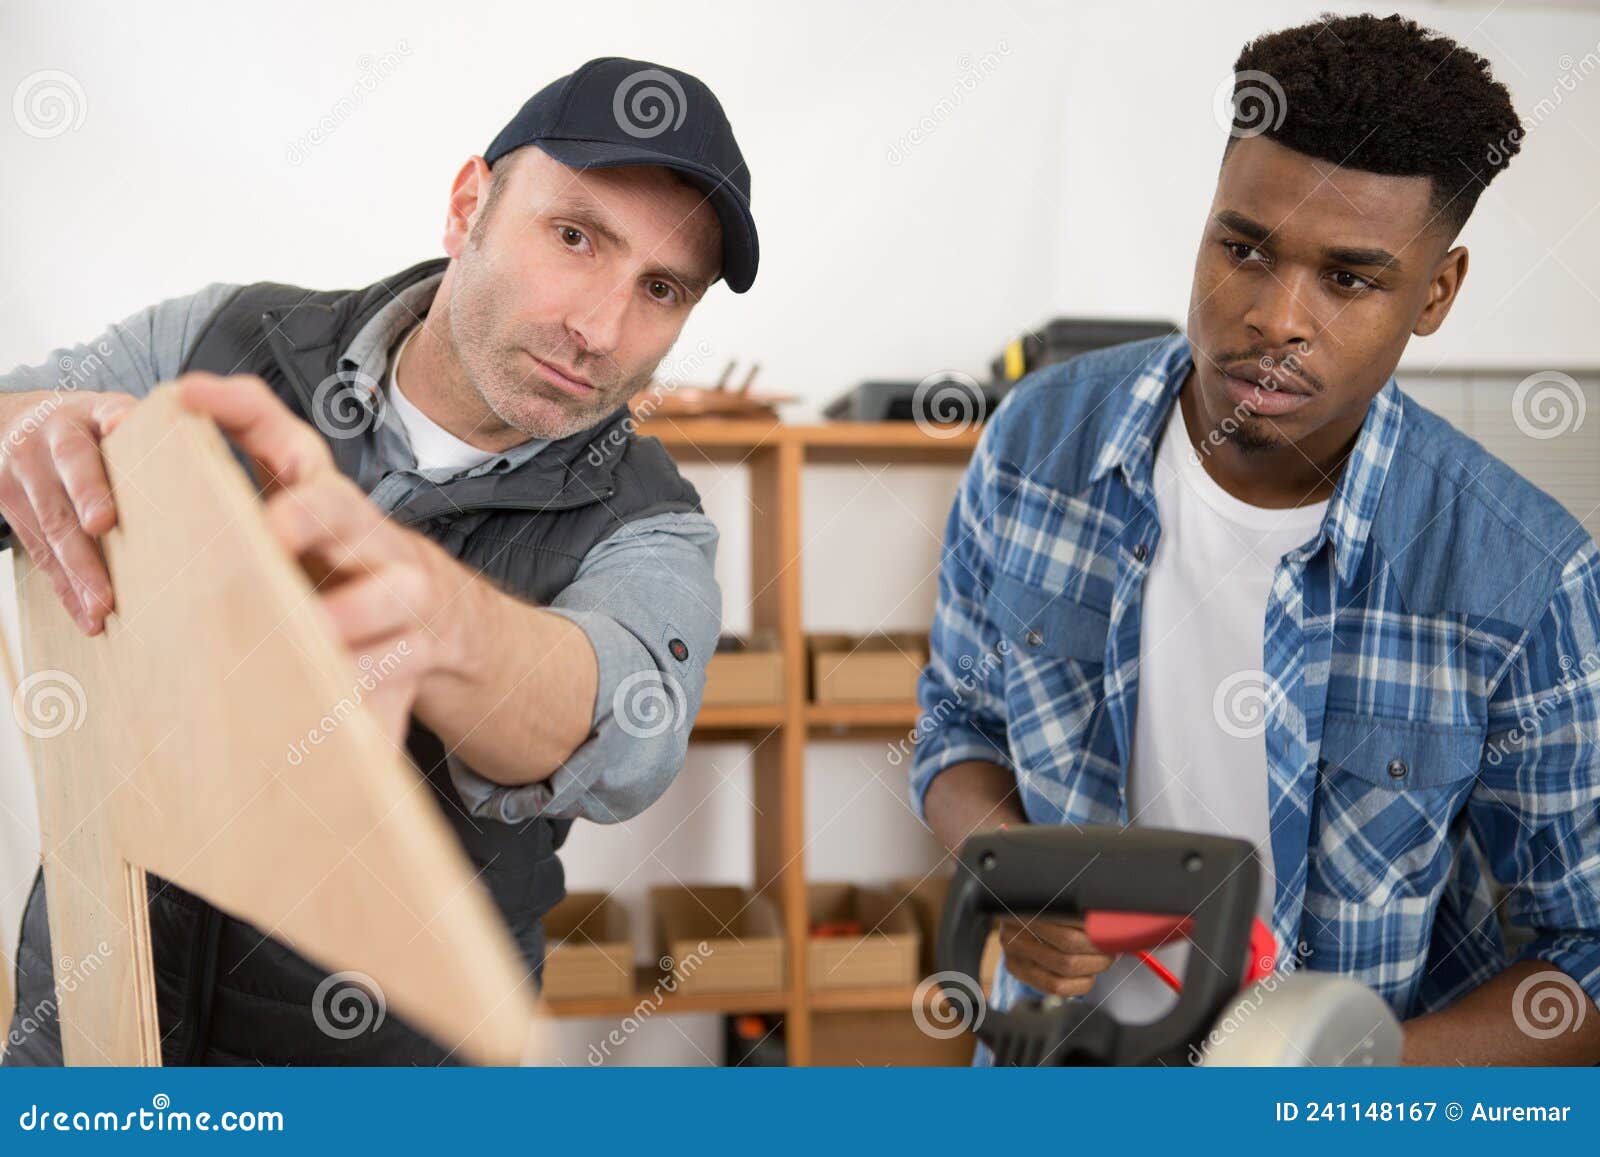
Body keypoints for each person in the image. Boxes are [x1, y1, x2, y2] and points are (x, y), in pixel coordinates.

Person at [0, 56, 755, 1065]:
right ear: (468, 206)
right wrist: (27, 431)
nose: (598, 328)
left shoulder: (654, 524)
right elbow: (20, 417)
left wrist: (450, 623)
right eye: (574, 236)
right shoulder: (218, 337)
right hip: (92, 1030)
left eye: (659, 288)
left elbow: (620, 719)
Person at [912, 14, 1600, 1064]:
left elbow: (1581, 949)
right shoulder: (1033, 444)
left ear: (1436, 294)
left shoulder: (1523, 576)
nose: (1275, 317)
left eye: (1349, 279)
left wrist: (1342, 1072)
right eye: (1243, 248)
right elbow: (956, 723)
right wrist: (1014, 866)